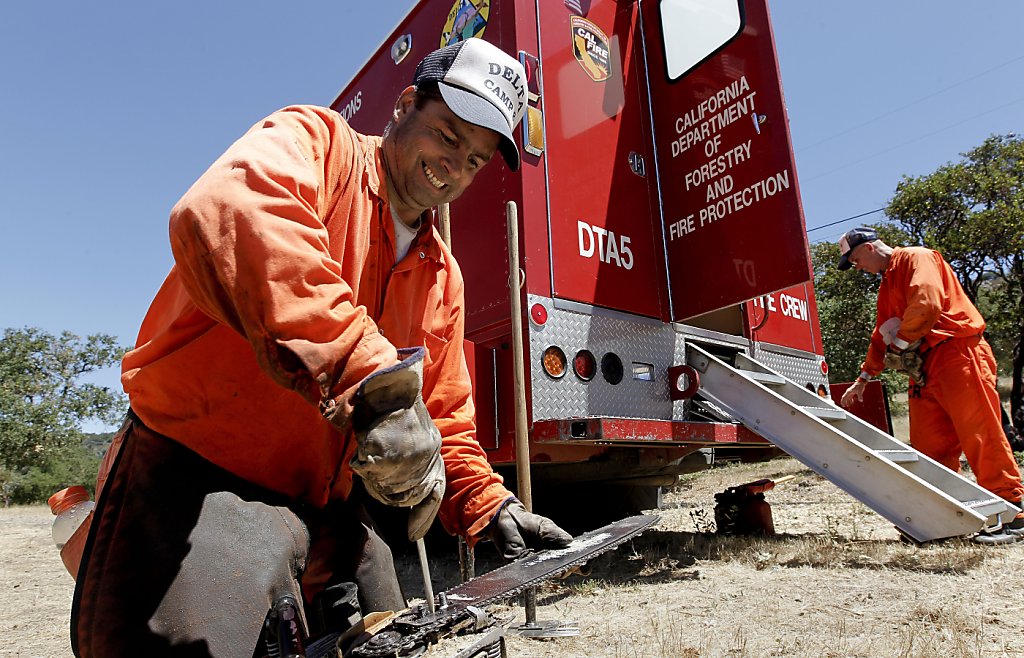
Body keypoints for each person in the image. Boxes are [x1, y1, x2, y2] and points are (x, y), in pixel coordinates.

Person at [70, 38, 572, 658]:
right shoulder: (318, 144)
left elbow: (443, 413)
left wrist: (486, 503)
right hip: (195, 468)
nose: (454, 166)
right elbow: (228, 211)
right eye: (446, 135)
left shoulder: (443, 277)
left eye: (473, 160)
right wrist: (367, 374)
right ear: (404, 106)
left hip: (325, 501)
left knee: (392, 637)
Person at [836, 226, 1024, 534]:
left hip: (956, 353)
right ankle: (942, 516)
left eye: (854, 260)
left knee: (980, 433)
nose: (857, 268)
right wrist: (864, 377)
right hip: (924, 366)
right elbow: (881, 335)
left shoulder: (916, 258)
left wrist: (900, 345)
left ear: (868, 248)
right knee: (929, 446)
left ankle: (1012, 509)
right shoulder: (887, 286)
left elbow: (927, 304)